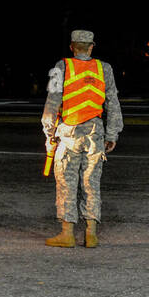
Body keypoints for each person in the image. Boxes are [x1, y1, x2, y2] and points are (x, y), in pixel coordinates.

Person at [41, 29, 123, 248]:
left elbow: (52, 102)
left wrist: (49, 134)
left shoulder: (61, 67)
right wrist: (112, 133)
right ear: (91, 47)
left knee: (67, 182)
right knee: (91, 183)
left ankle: (67, 234)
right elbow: (113, 103)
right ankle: (91, 234)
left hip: (69, 133)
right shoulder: (104, 68)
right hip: (95, 133)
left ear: (71, 47)